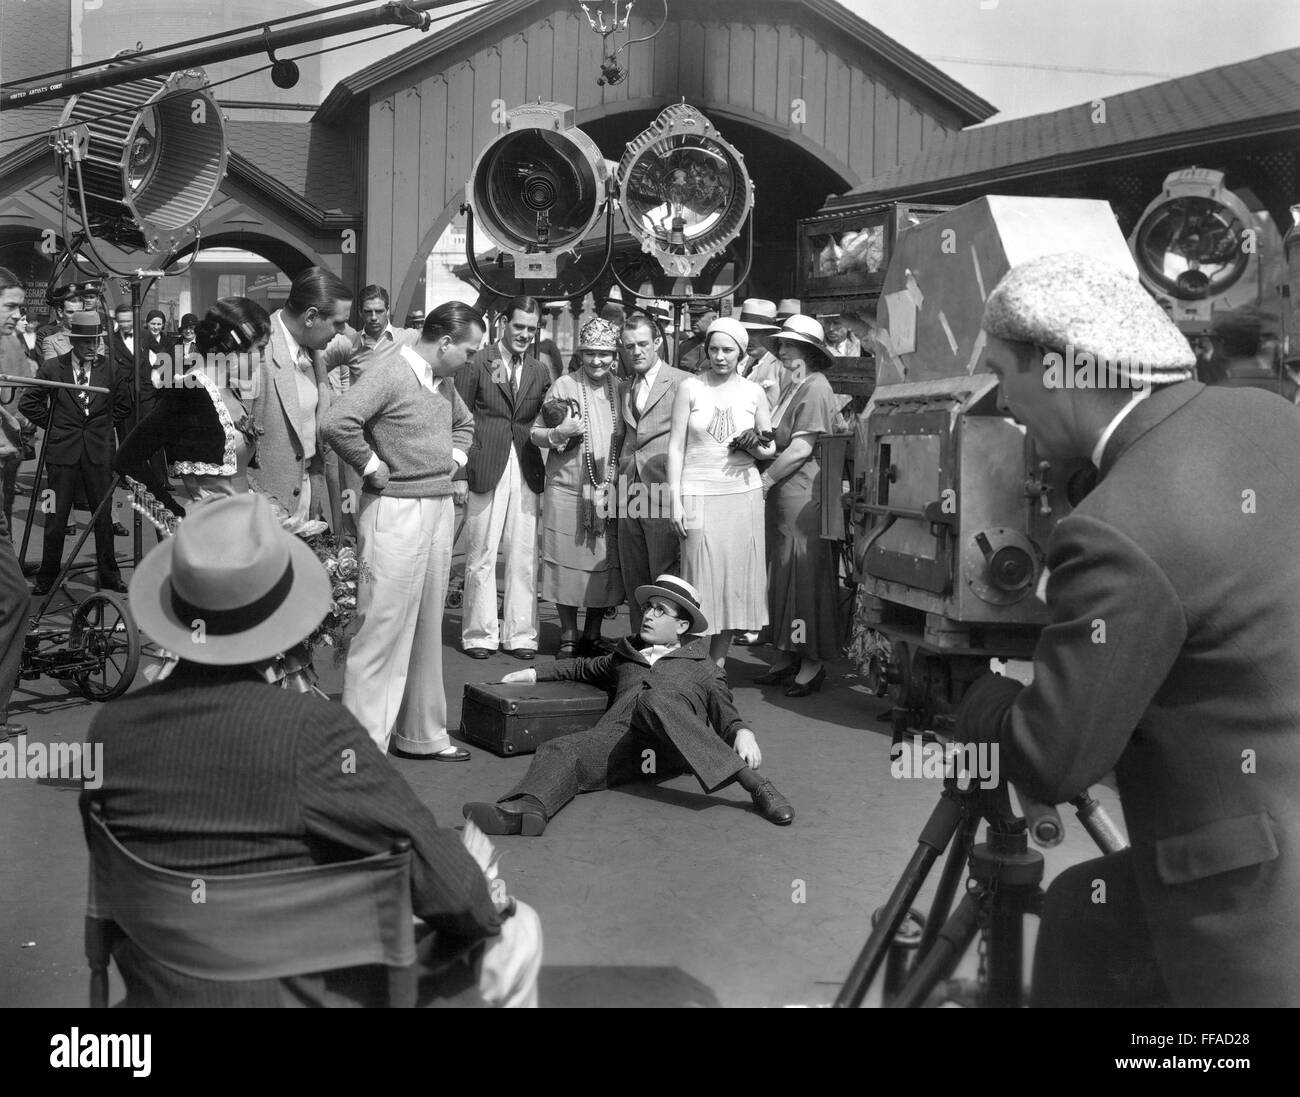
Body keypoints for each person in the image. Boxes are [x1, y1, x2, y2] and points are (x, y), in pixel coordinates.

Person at [954, 252, 1300, 1007]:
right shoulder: (1268, 414)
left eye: (1003, 372)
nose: (1002, 402)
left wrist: (981, 700)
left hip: (1258, 918)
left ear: (1057, 367)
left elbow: (1054, 760)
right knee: (1086, 914)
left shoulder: (1118, 526)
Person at [83, 493, 541, 1007]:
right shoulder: (311, 733)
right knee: (518, 929)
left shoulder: (111, 730)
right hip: (283, 993)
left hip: (158, 989)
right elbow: (455, 894)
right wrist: (482, 893)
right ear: (283, 619)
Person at [462, 574, 794, 835]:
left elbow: (727, 715)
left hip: (674, 749)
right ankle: (526, 810)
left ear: (681, 626)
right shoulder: (626, 656)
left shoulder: (703, 668)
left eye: (660, 611)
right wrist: (533, 672)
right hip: (622, 744)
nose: (648, 615)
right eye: (648, 607)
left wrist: (743, 732)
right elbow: (581, 667)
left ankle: (756, 785)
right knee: (558, 749)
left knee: (653, 700)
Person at [321, 302, 483, 762]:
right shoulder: (389, 373)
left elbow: (465, 426)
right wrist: (371, 467)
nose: (471, 359)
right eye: (469, 350)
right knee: (382, 627)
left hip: (435, 508)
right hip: (394, 510)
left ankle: (421, 734)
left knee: (427, 626)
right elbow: (336, 422)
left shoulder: (444, 380)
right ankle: (360, 750)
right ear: (445, 342)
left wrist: (451, 462)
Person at [667, 317, 775, 667]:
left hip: (742, 494)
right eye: (713, 349)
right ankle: (693, 662)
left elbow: (768, 448)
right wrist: (674, 500)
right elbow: (675, 448)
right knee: (698, 578)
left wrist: (754, 448)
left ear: (741, 353)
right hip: (697, 491)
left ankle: (717, 666)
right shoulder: (691, 388)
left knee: (732, 579)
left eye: (728, 350)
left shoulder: (754, 392)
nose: (720, 356)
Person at [115, 297, 272, 516]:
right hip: (209, 533)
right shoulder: (189, 392)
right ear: (234, 347)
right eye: (261, 349)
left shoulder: (228, 389)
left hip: (243, 526)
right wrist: (173, 516)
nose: (263, 358)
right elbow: (127, 459)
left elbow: (235, 474)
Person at [753, 315, 843, 696]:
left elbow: (803, 448)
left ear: (807, 350)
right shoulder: (797, 385)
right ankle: (788, 653)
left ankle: (811, 661)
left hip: (803, 494)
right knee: (784, 572)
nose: (782, 349)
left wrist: (767, 479)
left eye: (789, 343)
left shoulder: (816, 387)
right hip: (786, 494)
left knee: (804, 575)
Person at [454, 295, 548, 661]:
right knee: (480, 553)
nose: (524, 333)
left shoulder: (539, 371)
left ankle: (521, 634)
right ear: (503, 323)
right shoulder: (477, 361)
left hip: (525, 466)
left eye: (531, 328)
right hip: (483, 466)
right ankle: (479, 633)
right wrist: (459, 472)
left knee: (524, 555)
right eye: (518, 326)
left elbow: (544, 417)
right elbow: (457, 417)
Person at [20, 310, 131, 595]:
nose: (93, 348)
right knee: (55, 518)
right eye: (87, 343)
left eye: (96, 342)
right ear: (74, 342)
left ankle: (109, 576)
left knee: (102, 517)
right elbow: (28, 403)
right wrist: (54, 424)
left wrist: (102, 427)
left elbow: (123, 405)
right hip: (61, 455)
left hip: (99, 454)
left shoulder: (111, 369)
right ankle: (47, 576)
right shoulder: (52, 368)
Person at [532, 317, 625, 657]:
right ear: (581, 354)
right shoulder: (563, 386)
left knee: (604, 563)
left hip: (607, 491)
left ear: (614, 355)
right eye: (590, 354)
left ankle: (593, 633)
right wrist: (559, 434)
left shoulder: (622, 388)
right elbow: (535, 433)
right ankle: (569, 635)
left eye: (604, 354)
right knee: (563, 561)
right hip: (566, 489)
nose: (597, 361)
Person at [247, 266, 347, 533]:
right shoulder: (257, 352)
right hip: (263, 510)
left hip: (306, 496)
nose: (343, 331)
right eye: (338, 322)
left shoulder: (313, 350)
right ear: (311, 316)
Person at [319, 284, 421, 537]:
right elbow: (315, 363)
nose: (373, 318)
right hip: (360, 442)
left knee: (394, 511)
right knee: (356, 510)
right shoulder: (348, 344)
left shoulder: (408, 339)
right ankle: (357, 567)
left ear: (388, 311)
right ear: (360, 314)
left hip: (399, 439)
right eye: (367, 312)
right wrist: (336, 401)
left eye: (378, 311)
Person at [616, 314, 688, 633]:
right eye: (630, 346)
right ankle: (639, 644)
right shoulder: (624, 385)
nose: (637, 352)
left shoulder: (682, 382)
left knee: (664, 573)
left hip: (661, 488)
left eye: (643, 344)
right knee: (634, 575)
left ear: (658, 343)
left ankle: (664, 648)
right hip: (627, 489)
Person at [0, 268, 31, 741]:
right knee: (14, 595)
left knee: (13, 595)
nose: (18, 314)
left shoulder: (12, 347)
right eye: (10, 305)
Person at [674, 302, 717, 374]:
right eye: (692, 316)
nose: (693, 319)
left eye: (699, 316)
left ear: (714, 319)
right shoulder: (684, 347)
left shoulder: (722, 346)